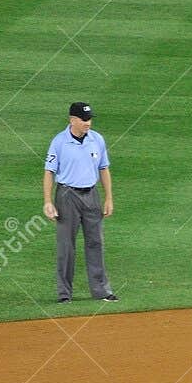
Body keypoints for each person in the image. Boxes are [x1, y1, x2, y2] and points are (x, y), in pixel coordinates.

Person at [42, 102, 116, 303]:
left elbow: (104, 168)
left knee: (96, 242)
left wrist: (108, 197)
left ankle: (101, 291)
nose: (88, 123)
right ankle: (64, 294)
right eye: (84, 119)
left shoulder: (97, 140)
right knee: (66, 246)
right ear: (72, 120)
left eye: (89, 119)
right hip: (67, 196)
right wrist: (48, 201)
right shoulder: (59, 142)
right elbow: (49, 172)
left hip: (91, 194)